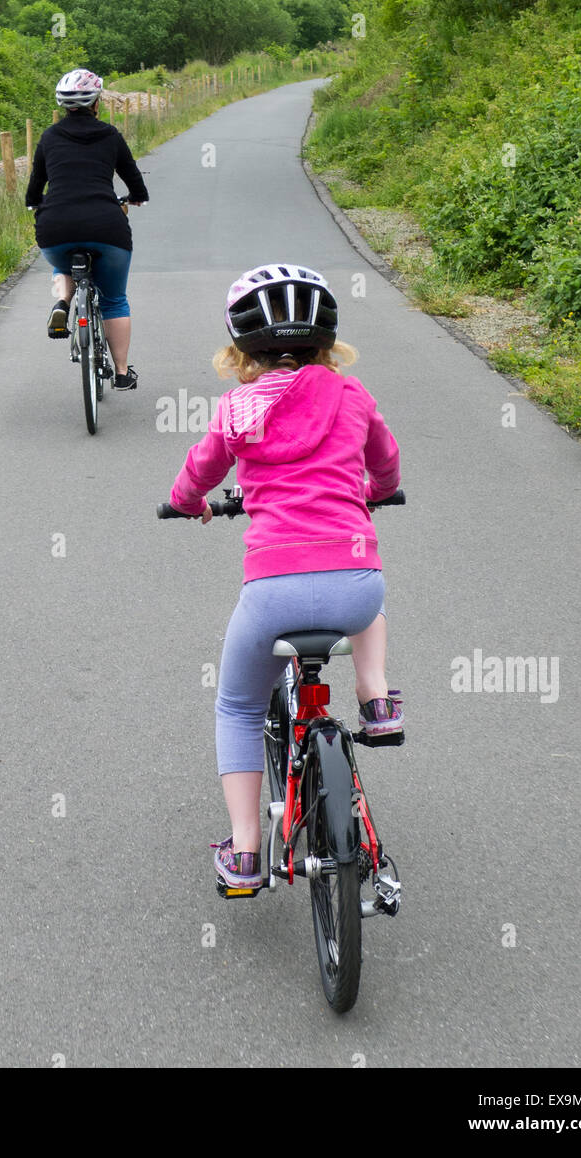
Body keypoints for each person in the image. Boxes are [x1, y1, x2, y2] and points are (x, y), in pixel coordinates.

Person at [167, 263, 402, 890]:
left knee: (239, 706)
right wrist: (381, 490)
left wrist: (188, 502)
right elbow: (385, 459)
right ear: (327, 343)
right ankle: (376, 698)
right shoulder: (352, 396)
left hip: (273, 589)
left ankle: (245, 853)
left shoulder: (238, 406)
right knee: (370, 597)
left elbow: (201, 470)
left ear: (240, 348)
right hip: (354, 581)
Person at [25, 68, 148, 390]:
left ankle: (62, 303)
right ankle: (122, 372)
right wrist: (136, 198)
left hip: (56, 226)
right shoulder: (110, 135)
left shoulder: (50, 137)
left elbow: (35, 186)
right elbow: (134, 180)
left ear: (64, 106)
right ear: (96, 102)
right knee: (115, 300)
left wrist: (35, 204)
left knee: (61, 262)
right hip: (107, 227)